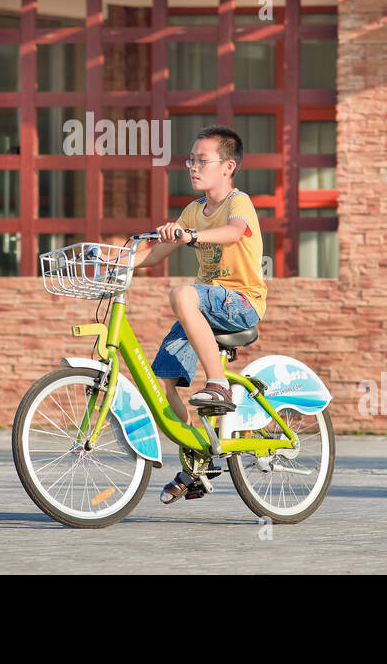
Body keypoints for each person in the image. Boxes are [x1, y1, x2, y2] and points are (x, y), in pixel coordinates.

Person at [130, 125, 267, 503]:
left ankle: (217, 381)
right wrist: (115, 261)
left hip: (240, 301)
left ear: (228, 166)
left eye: (202, 160)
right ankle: (201, 459)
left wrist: (190, 236)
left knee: (181, 292)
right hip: (207, 305)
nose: (192, 166)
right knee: (168, 380)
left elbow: (234, 233)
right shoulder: (192, 210)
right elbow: (155, 253)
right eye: (191, 160)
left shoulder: (239, 202)